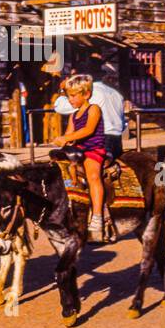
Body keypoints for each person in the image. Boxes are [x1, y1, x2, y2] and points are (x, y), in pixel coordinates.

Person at [52, 73, 108, 241]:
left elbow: (88, 130)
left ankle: (97, 216)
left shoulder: (94, 109)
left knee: (93, 175)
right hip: (78, 150)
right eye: (69, 96)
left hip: (93, 149)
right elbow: (70, 134)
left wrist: (67, 138)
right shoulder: (73, 115)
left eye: (73, 96)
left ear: (86, 94)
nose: (70, 99)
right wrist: (62, 141)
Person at [53, 68, 125, 159]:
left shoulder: (89, 92)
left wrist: (63, 91)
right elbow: (122, 122)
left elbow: (60, 107)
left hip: (99, 140)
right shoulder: (115, 93)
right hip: (117, 139)